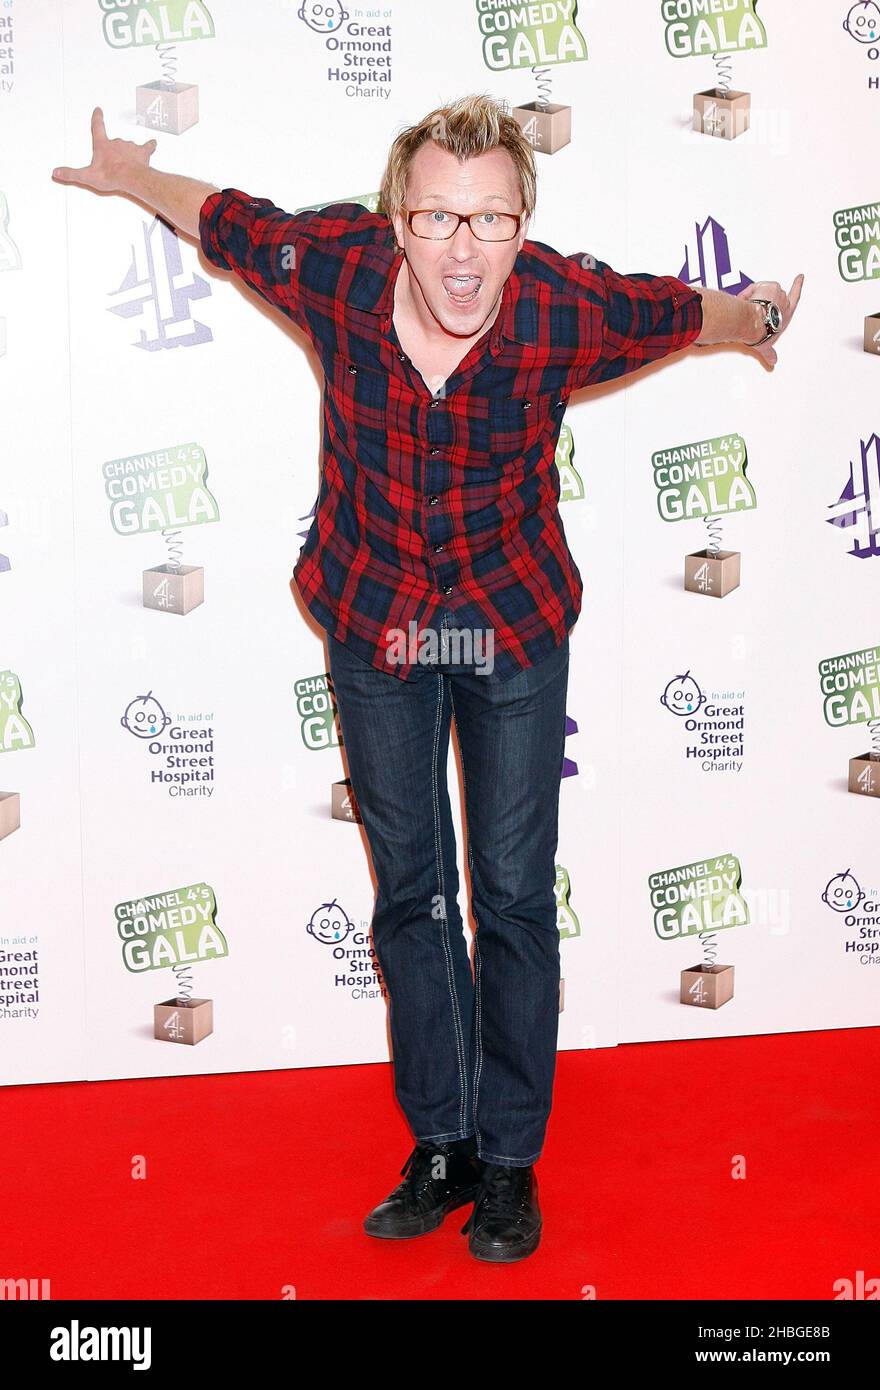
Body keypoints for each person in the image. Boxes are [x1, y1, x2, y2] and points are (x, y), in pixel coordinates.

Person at [53, 94, 803, 1264]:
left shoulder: (562, 304)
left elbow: (678, 311)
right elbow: (229, 219)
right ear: (396, 217)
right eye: (438, 218)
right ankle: (442, 1142)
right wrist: (132, 174)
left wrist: (753, 312)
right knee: (412, 893)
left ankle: (508, 1163)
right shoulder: (336, 271)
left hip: (506, 624)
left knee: (509, 895)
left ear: (523, 222)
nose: (463, 249)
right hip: (379, 626)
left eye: (491, 219)